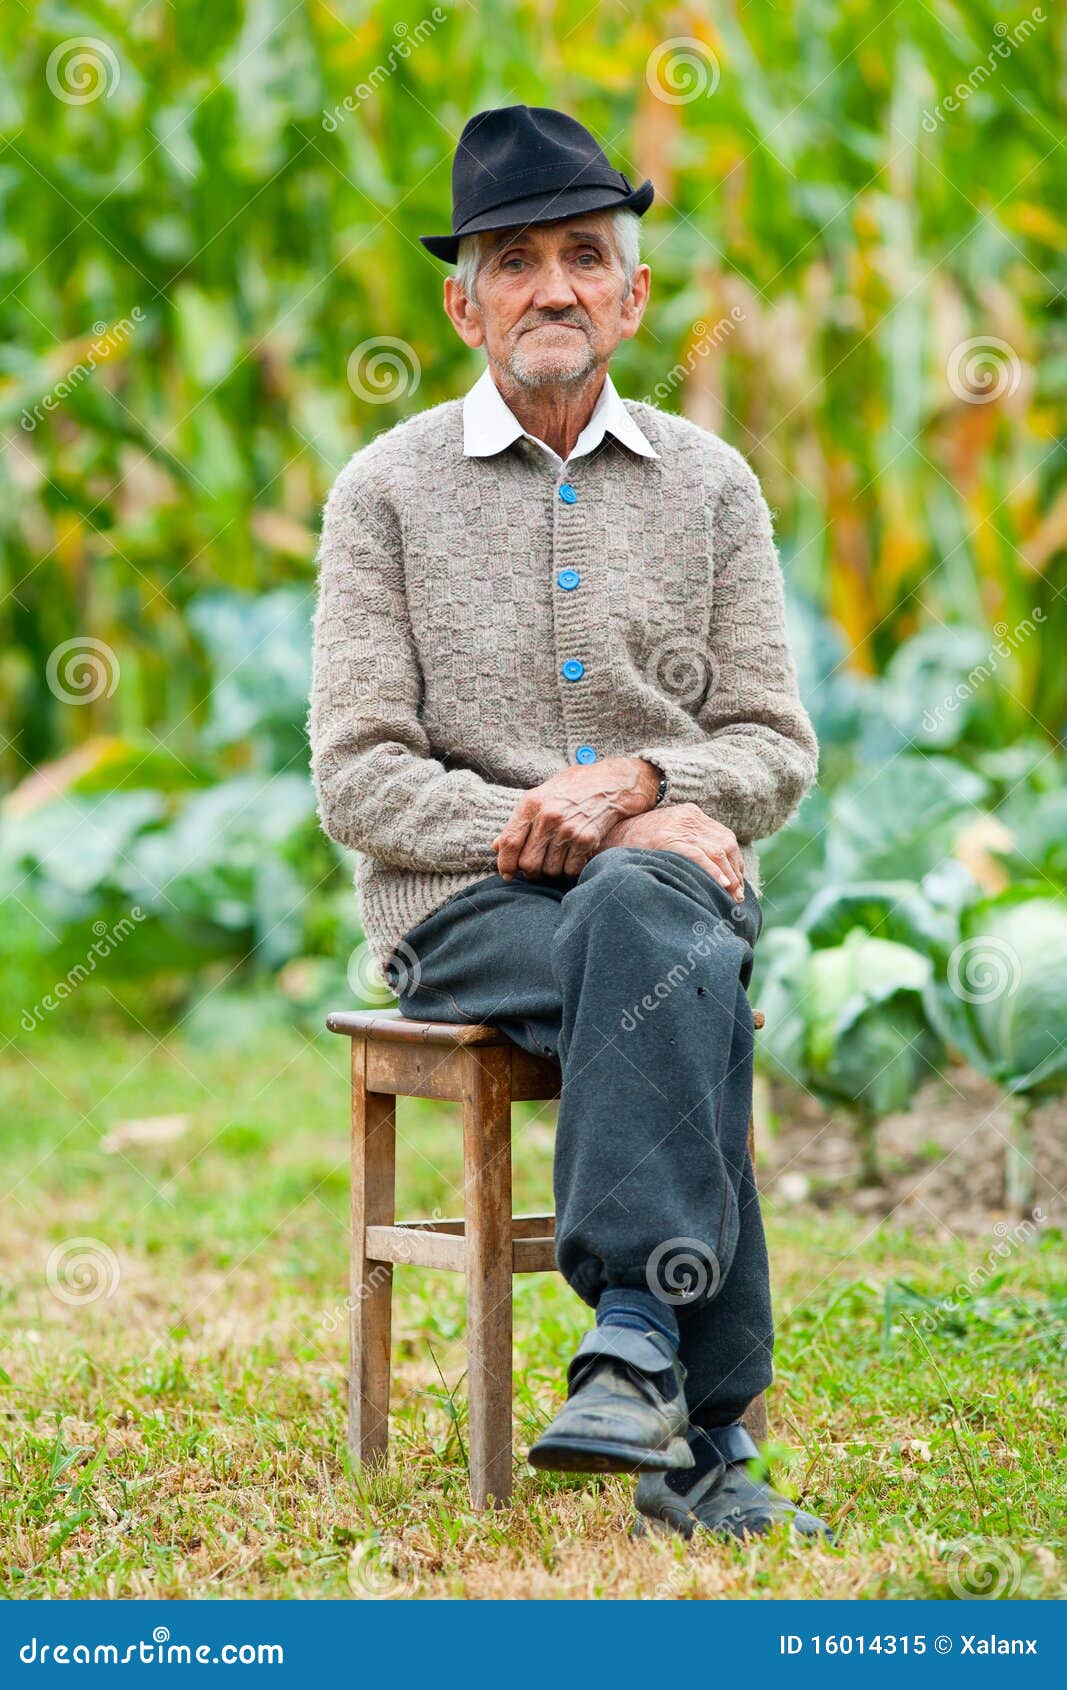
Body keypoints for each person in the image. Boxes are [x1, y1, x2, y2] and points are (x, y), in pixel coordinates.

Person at [309, 104, 831, 1544]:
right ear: (461, 297)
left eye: (584, 255)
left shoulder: (713, 485)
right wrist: (581, 821)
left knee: (650, 926)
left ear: (632, 292)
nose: (553, 286)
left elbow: (774, 752)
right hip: (464, 914)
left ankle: (629, 1353)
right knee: (669, 941)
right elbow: (358, 775)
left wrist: (650, 788)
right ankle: (692, 1414)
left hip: (663, 886)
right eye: (515, 257)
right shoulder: (386, 494)